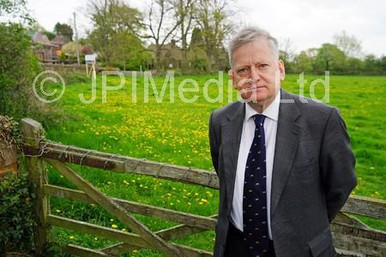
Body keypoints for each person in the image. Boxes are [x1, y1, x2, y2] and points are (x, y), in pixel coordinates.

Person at [209, 26, 356, 257]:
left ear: (280, 69)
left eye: (262, 66)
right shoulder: (220, 121)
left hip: (299, 249)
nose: (253, 77)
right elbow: (224, 174)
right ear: (233, 78)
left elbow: (340, 185)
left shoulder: (323, 120)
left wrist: (303, 227)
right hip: (235, 248)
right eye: (243, 69)